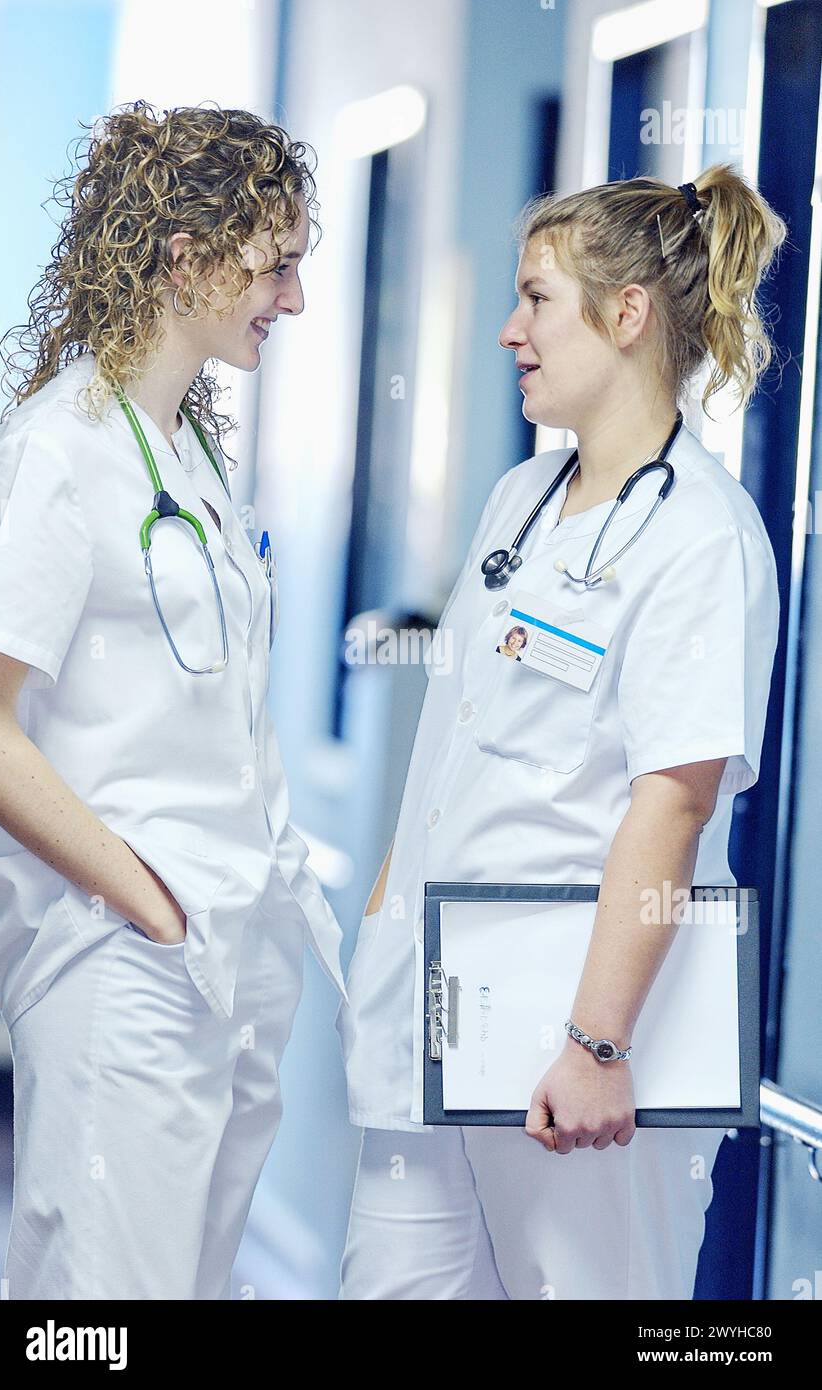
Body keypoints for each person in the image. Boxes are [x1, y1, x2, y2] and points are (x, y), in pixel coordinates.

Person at [336, 165, 785, 1300]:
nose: (509, 331)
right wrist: (386, 931)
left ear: (627, 312)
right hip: (431, 1018)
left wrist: (596, 1046)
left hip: (576, 1056)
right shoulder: (521, 501)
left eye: (536, 300)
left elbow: (673, 805)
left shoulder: (702, 541)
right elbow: (449, 756)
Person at [0, 100, 346, 1300]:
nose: (290, 299)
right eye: (274, 265)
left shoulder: (182, 451)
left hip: (224, 954)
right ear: (185, 255)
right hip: (120, 955)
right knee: (99, 1307)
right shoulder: (59, 447)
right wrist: (147, 901)